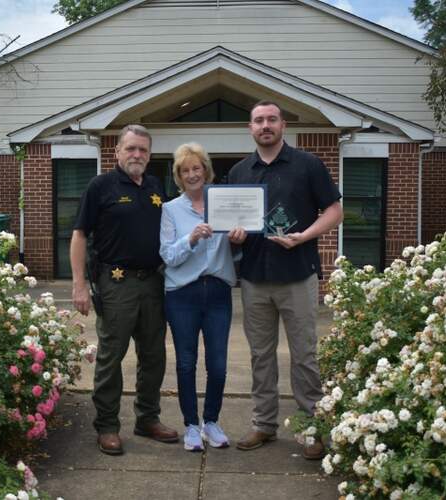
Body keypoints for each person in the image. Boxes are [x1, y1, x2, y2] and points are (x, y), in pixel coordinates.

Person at [227, 101, 343, 459]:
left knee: (305, 356)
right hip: (254, 278)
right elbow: (234, 221)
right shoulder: (238, 172)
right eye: (259, 120)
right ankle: (264, 424)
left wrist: (305, 236)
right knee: (261, 356)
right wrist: (235, 236)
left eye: (272, 119)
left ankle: (312, 428)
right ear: (250, 128)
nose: (265, 125)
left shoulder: (308, 165)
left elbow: (335, 211)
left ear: (283, 125)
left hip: (298, 276)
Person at [70, 124, 179, 456]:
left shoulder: (156, 186)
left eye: (143, 150)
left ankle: (147, 418)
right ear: (117, 151)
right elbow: (79, 235)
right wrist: (80, 285)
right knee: (110, 357)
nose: (137, 155)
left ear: (149, 155)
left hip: (153, 282)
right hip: (115, 284)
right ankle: (107, 426)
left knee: (153, 356)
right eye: (130, 148)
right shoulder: (100, 186)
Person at [159, 143, 246, 452]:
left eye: (197, 168)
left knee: (219, 364)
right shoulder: (170, 209)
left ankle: (211, 421)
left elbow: (239, 248)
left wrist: (240, 239)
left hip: (219, 291)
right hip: (182, 293)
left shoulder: (224, 203)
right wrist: (191, 238)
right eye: (185, 170)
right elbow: (168, 256)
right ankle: (191, 426)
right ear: (179, 177)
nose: (192, 174)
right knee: (185, 362)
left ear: (206, 171)